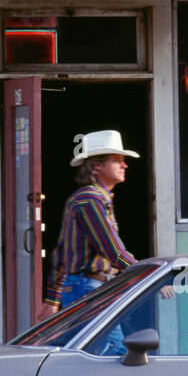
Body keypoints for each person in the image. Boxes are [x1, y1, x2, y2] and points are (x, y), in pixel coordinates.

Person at [45, 129, 138, 314]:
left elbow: (63, 253)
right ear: (96, 166)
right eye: (116, 160)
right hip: (88, 287)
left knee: (92, 342)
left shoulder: (91, 198)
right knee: (114, 343)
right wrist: (145, 273)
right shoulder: (90, 199)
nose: (124, 165)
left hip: (88, 286)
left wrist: (52, 299)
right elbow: (113, 251)